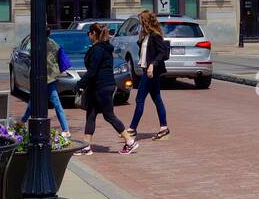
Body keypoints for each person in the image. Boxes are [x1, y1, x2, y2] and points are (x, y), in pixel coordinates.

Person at [76, 23, 136, 156]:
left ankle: (129, 141)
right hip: (101, 86)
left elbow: (93, 71)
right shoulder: (105, 48)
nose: (88, 36)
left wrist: (80, 84)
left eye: (89, 33)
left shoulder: (98, 50)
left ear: (93, 34)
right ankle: (86, 146)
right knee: (90, 115)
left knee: (109, 116)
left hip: (101, 87)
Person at [18, 30, 71, 140]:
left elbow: (28, 56)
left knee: (35, 102)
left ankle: (23, 121)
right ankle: (66, 129)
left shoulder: (36, 45)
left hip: (41, 79)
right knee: (53, 104)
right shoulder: (53, 43)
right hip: (51, 78)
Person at [128, 10, 170, 141]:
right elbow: (144, 52)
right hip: (147, 70)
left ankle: (132, 128)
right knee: (157, 98)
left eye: (141, 20)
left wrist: (152, 64)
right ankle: (164, 128)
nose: (139, 23)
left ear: (145, 21)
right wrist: (140, 38)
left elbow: (162, 52)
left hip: (151, 72)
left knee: (139, 99)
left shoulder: (155, 35)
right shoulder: (146, 35)